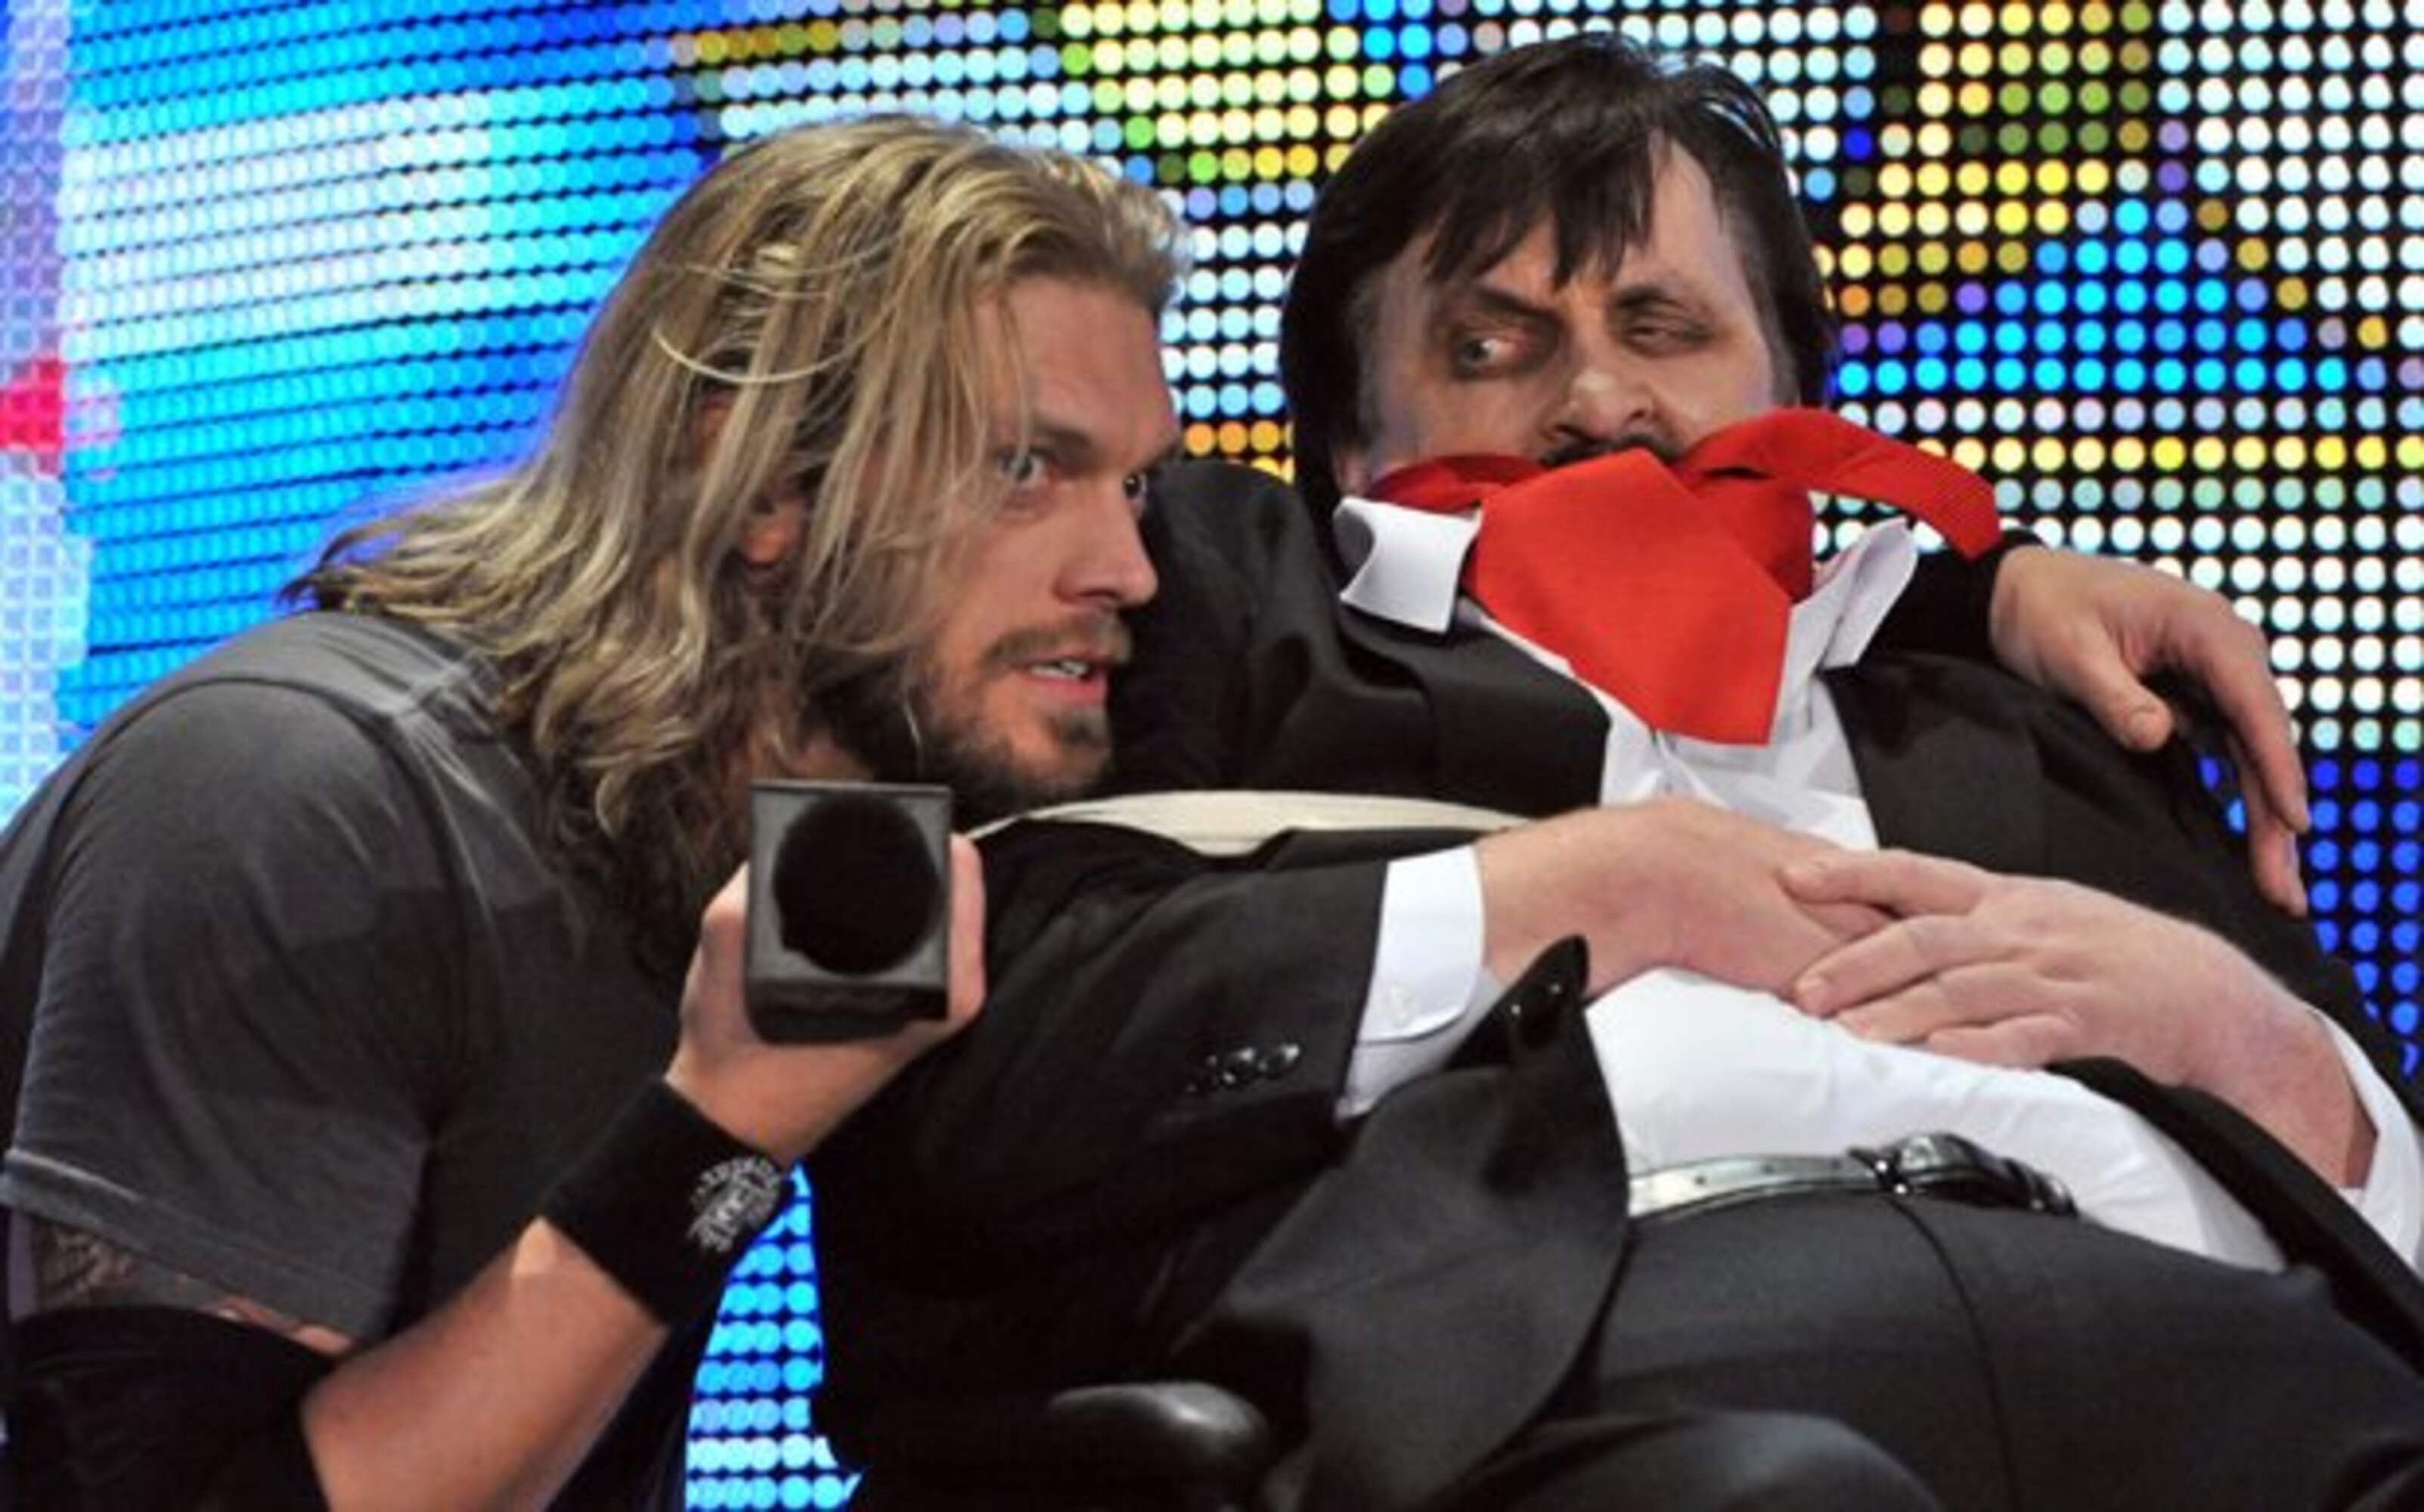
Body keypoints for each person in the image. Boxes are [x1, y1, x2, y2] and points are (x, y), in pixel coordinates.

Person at [809, 36, 2424, 1511]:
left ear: (1790, 385)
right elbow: (960, 1074)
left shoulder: (2035, 707)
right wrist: (1590, 892)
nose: (1595, 403)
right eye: (1490, 344)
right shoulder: (1214, 609)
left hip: (2237, 1364)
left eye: (1664, 327)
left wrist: (2250, 1041)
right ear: (1347, 441)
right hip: (1612, 1370)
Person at [0, 116, 1186, 1507]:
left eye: (1133, 484)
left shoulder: (750, 864)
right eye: (1022, 469)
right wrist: (718, 1132)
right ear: (762, 483)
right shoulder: (297, 795)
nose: (1127, 568)